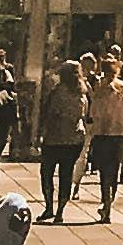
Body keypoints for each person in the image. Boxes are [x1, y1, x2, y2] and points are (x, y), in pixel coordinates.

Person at [84, 55, 123, 226]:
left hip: (102, 134)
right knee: (113, 171)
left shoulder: (99, 89)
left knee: (104, 172)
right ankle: (108, 203)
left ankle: (105, 202)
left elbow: (93, 113)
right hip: (119, 134)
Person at [34, 53, 87, 227]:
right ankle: (60, 211)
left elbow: (50, 114)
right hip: (74, 138)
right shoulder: (82, 93)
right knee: (66, 174)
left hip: (54, 138)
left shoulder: (57, 92)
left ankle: (49, 206)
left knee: (47, 173)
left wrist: (41, 133)